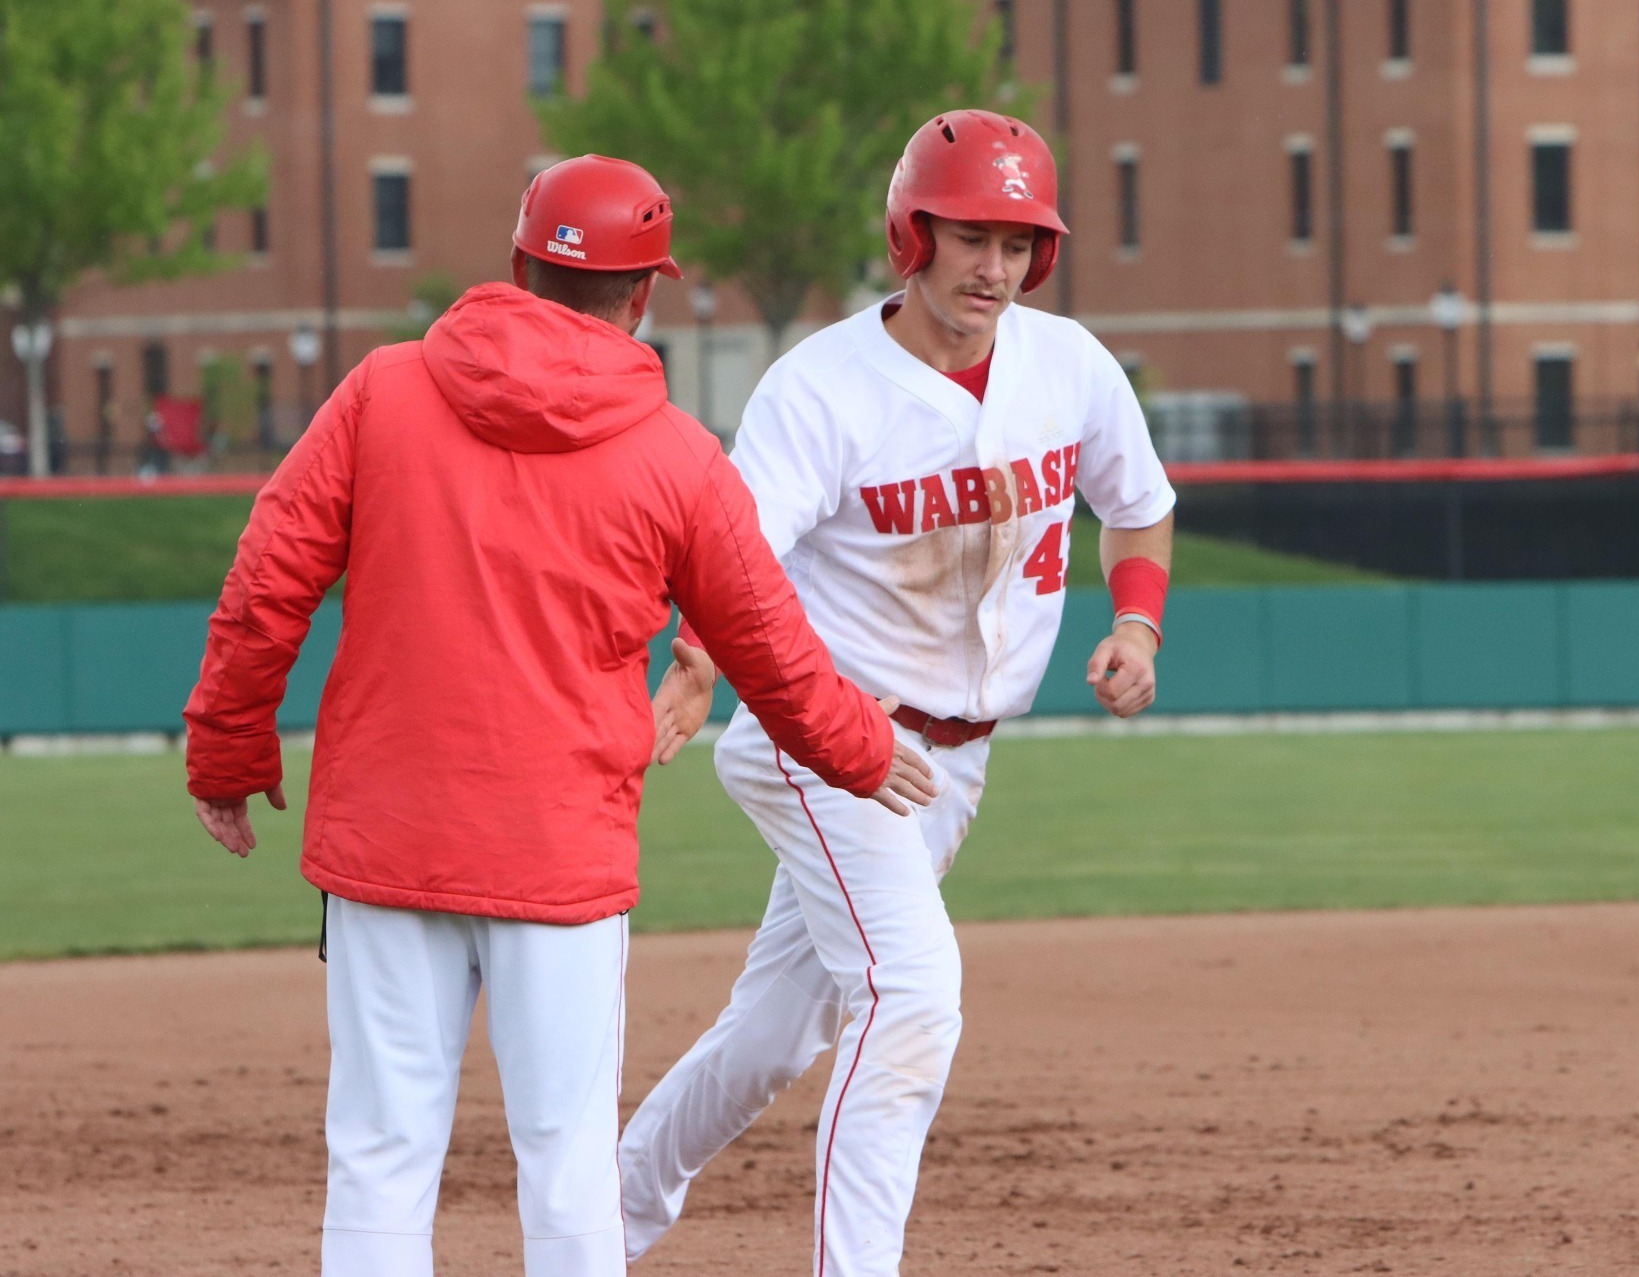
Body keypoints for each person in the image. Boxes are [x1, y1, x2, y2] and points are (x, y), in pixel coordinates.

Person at [181, 154, 935, 1277]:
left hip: (386, 840)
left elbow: (268, 576)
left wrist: (228, 745)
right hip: (558, 855)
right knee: (566, 1154)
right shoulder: (676, 454)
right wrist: (861, 746)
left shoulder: (382, 390)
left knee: (383, 1150)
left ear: (518, 265)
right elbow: (768, 646)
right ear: (645, 294)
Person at [620, 110, 1177, 1275]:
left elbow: (1136, 503)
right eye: (969, 236)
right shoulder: (820, 387)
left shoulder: (1066, 363)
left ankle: (599, 1222)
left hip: (950, 764)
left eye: (1018, 243)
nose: (994, 268)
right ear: (908, 234)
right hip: (822, 739)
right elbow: (734, 549)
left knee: (774, 1036)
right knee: (914, 996)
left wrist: (1136, 619)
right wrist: (697, 663)